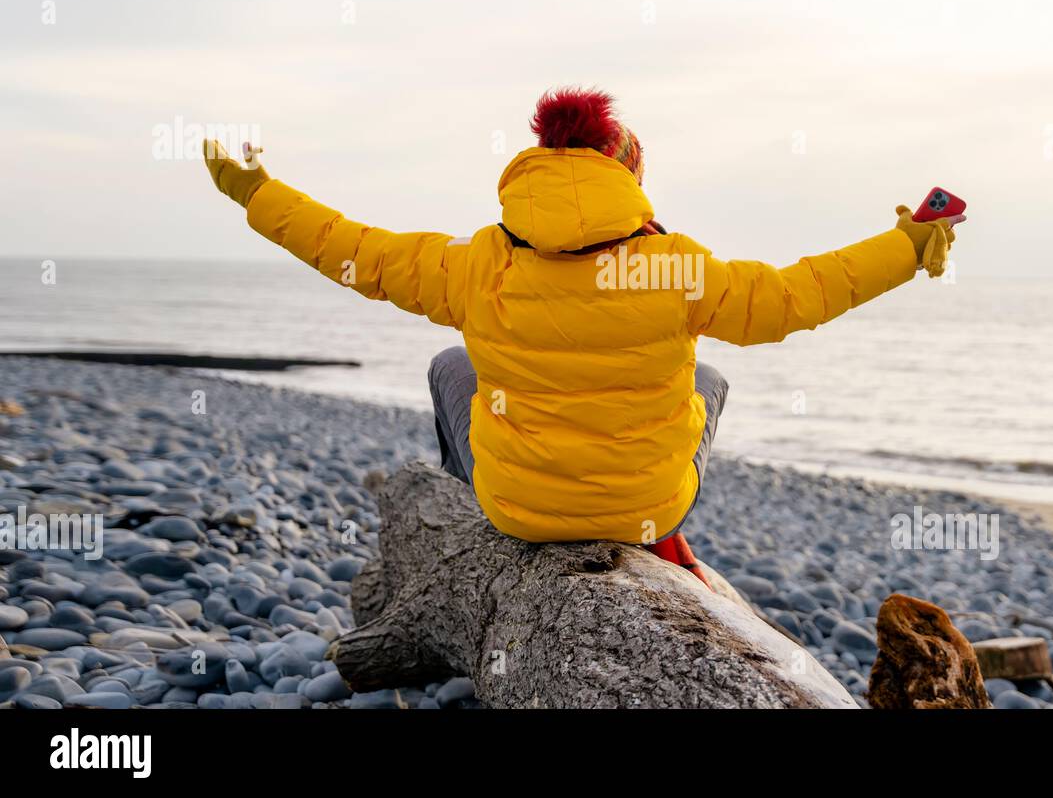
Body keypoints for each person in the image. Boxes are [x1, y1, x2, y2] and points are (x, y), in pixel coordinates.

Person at [200, 88, 962, 587]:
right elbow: (800, 296)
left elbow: (353, 250)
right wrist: (909, 243)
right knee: (713, 381)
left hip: (518, 508)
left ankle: (476, 522)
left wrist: (258, 193)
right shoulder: (673, 267)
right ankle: (666, 539)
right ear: (625, 178)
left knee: (449, 364)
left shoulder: (477, 265)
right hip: (647, 506)